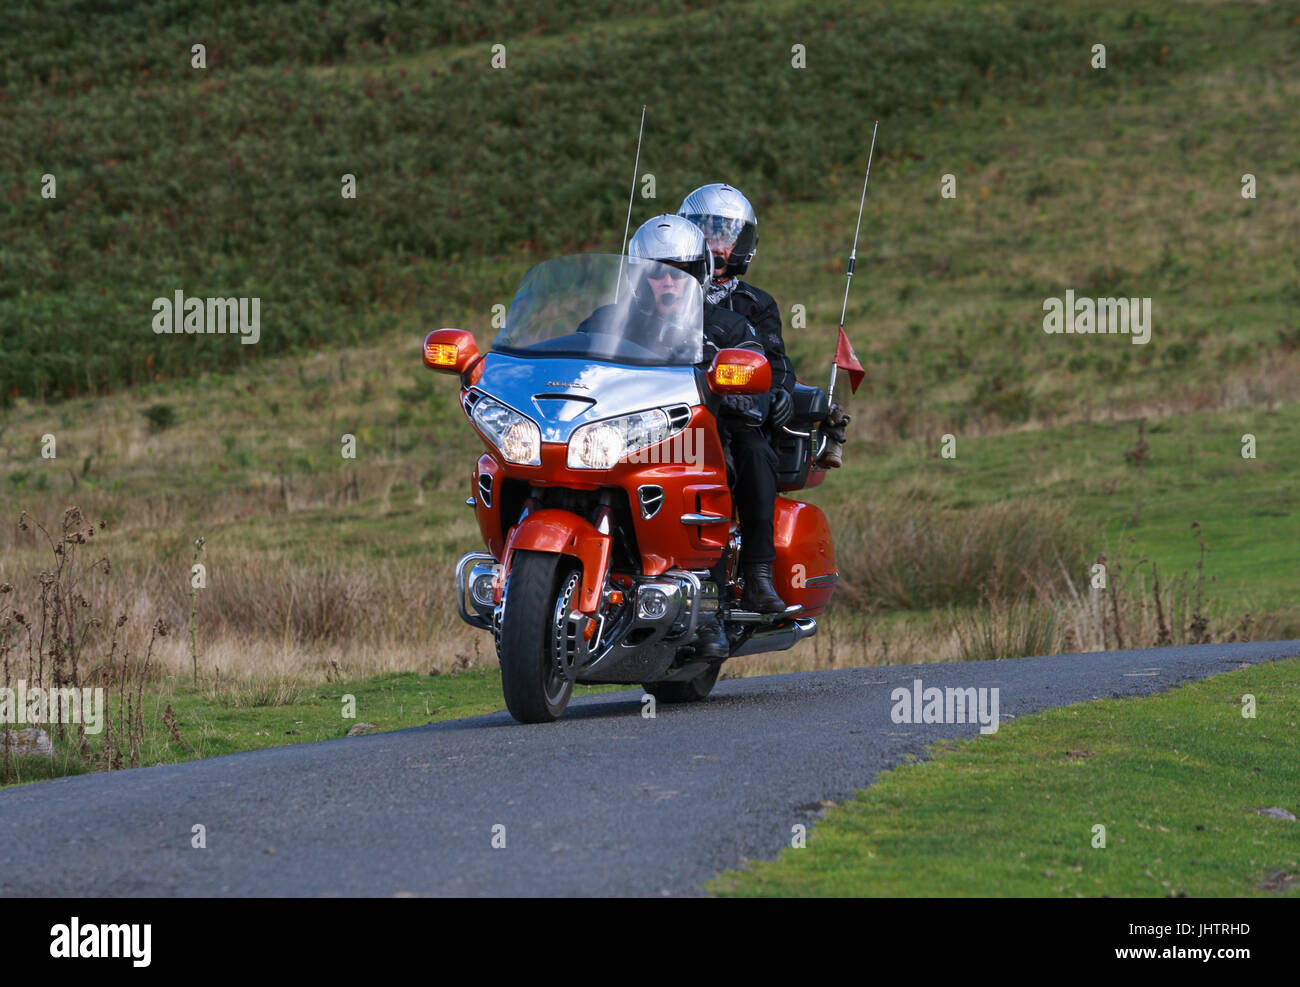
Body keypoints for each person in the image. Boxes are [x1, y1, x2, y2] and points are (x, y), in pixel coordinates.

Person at [678, 184, 794, 613]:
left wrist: (777, 391)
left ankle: (758, 571)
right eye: (706, 232)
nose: (715, 243)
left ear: (742, 243)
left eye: (726, 234)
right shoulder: (657, 294)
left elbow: (777, 360)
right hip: (666, 416)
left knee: (753, 452)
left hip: (732, 416)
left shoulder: (754, 303)